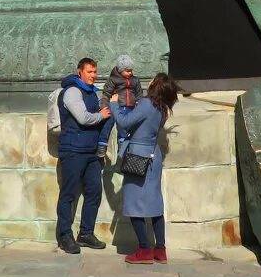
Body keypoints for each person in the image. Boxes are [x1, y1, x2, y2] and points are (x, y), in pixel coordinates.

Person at [111, 72, 179, 264]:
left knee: (134, 204)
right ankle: (160, 249)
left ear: (155, 85)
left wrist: (115, 104)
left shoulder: (147, 105)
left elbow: (124, 123)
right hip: (153, 155)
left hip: (137, 156)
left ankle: (144, 249)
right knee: (155, 203)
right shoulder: (162, 109)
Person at [54, 57, 111, 254]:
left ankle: (86, 233)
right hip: (73, 151)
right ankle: (64, 236)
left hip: (90, 152)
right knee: (68, 194)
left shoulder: (92, 93)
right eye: (89, 72)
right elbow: (83, 118)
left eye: (95, 72)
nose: (93, 76)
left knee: (94, 191)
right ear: (80, 72)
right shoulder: (72, 92)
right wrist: (102, 116)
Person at [98, 54, 143, 158]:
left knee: (124, 127)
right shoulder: (113, 80)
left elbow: (139, 94)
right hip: (116, 106)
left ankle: (122, 145)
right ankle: (102, 144)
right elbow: (106, 94)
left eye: (131, 70)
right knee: (107, 123)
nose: (130, 73)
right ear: (120, 70)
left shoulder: (135, 80)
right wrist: (104, 106)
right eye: (127, 70)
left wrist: (139, 104)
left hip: (130, 107)